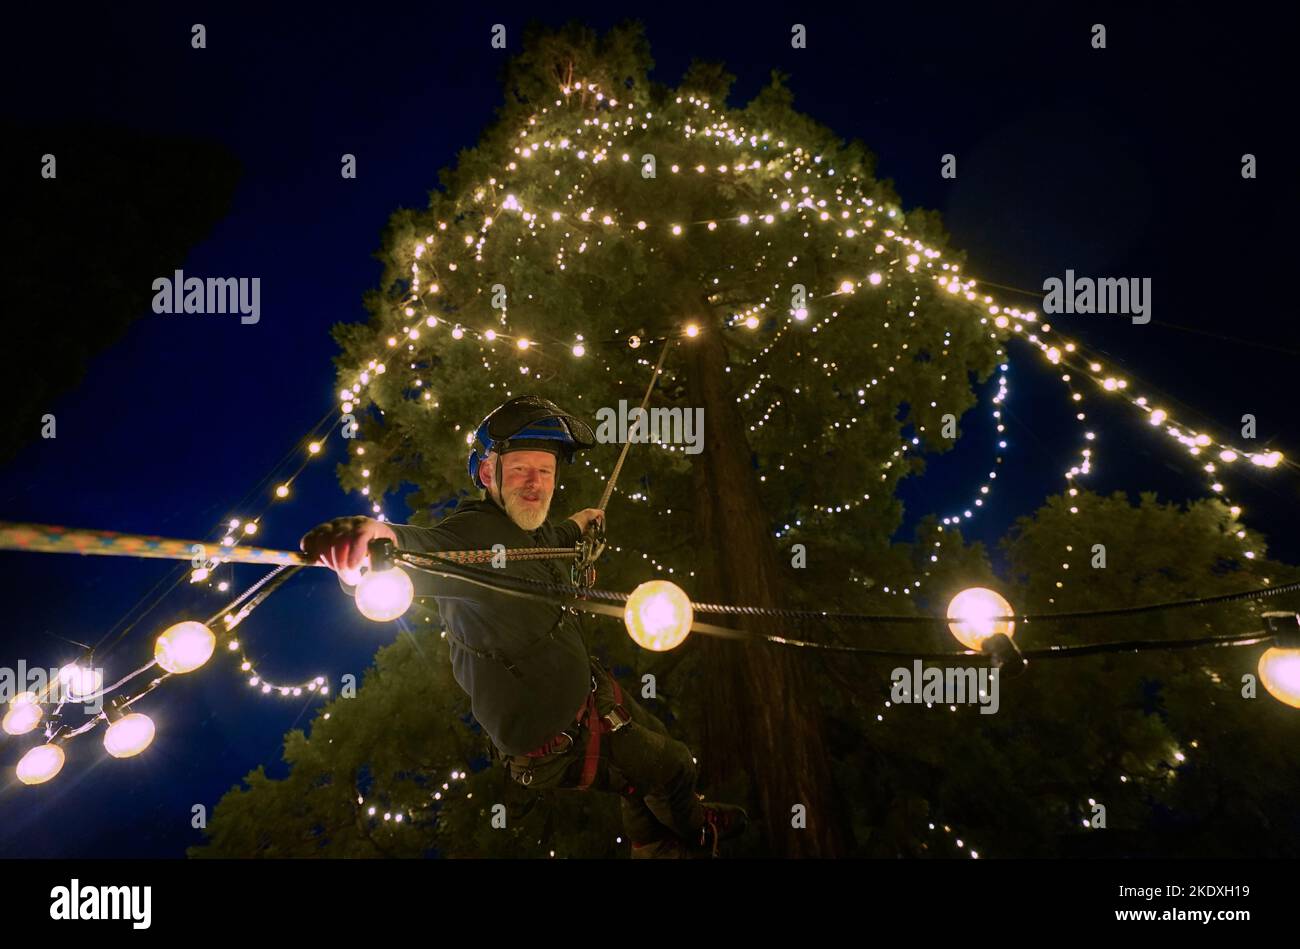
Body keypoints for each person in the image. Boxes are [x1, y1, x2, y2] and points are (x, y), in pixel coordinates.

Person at [300, 394, 746, 857]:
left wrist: (580, 524)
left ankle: (657, 834)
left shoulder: (529, 533)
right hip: (555, 744)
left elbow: (551, 536)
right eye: (519, 470)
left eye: (546, 471)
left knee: (654, 746)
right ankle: (695, 834)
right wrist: (371, 543)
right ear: (489, 474)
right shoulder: (472, 536)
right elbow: (420, 550)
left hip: (593, 693)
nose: (535, 483)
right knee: (669, 766)